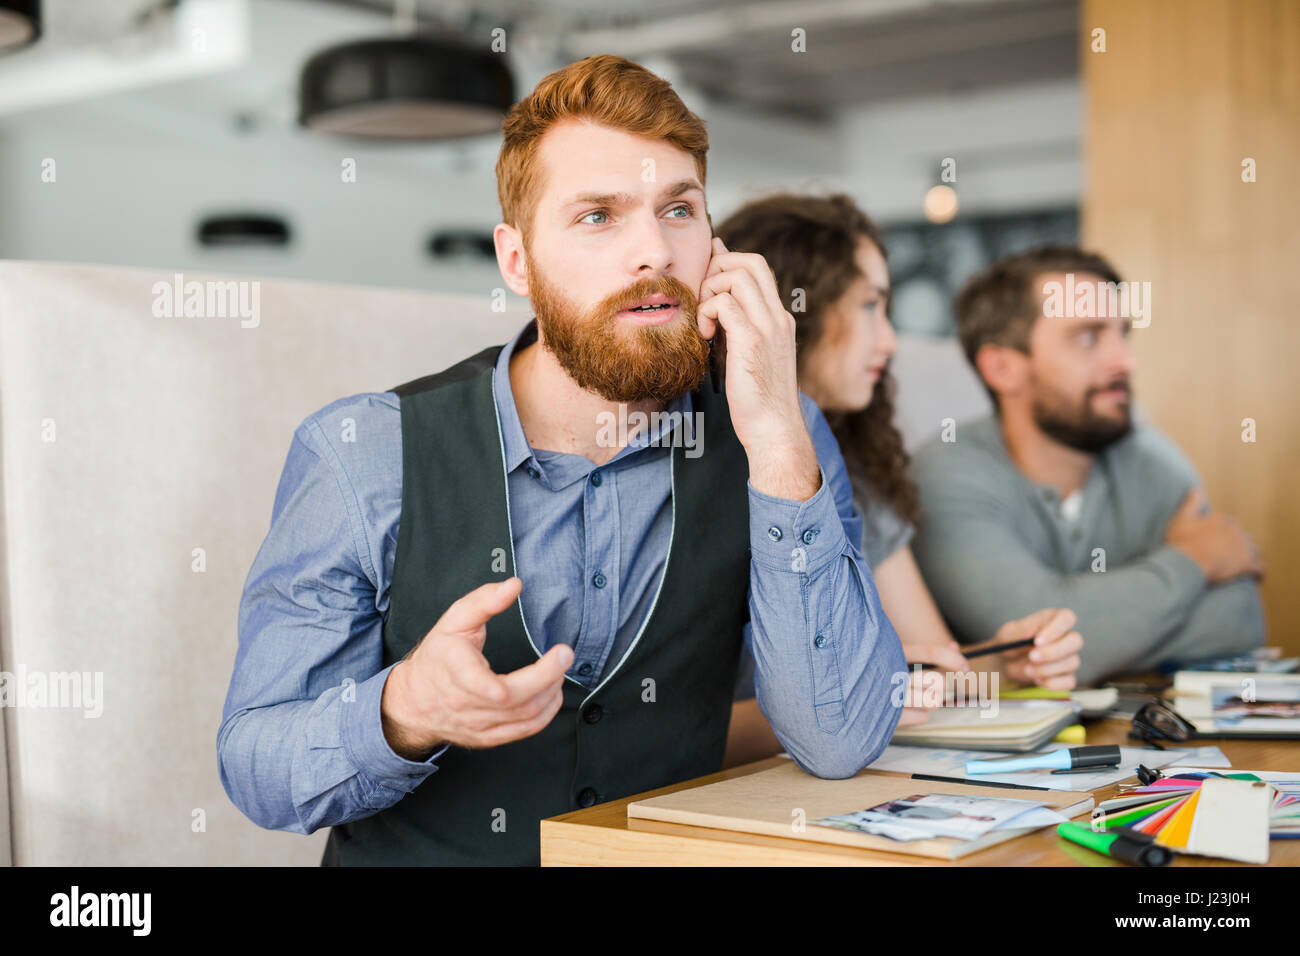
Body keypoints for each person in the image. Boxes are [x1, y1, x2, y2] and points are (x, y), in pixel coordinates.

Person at [216, 55, 907, 867]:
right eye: (598, 217)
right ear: (518, 262)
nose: (653, 250)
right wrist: (401, 710)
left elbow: (840, 741)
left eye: (678, 209)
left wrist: (781, 441)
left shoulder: (779, 436)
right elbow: (255, 765)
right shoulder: (363, 453)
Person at [713, 194, 1083, 769]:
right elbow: (666, 733)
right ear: (795, 309)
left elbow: (931, 659)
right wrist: (855, 698)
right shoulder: (701, 455)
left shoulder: (856, 469)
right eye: (870, 306)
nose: (889, 340)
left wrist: (1008, 665)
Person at [909, 245, 1265, 686]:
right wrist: (1194, 561)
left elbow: (1238, 618)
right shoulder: (944, 476)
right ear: (1002, 368)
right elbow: (1030, 645)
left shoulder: (1155, 463)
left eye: (1123, 334)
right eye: (1088, 337)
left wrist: (1102, 636)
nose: (1125, 361)